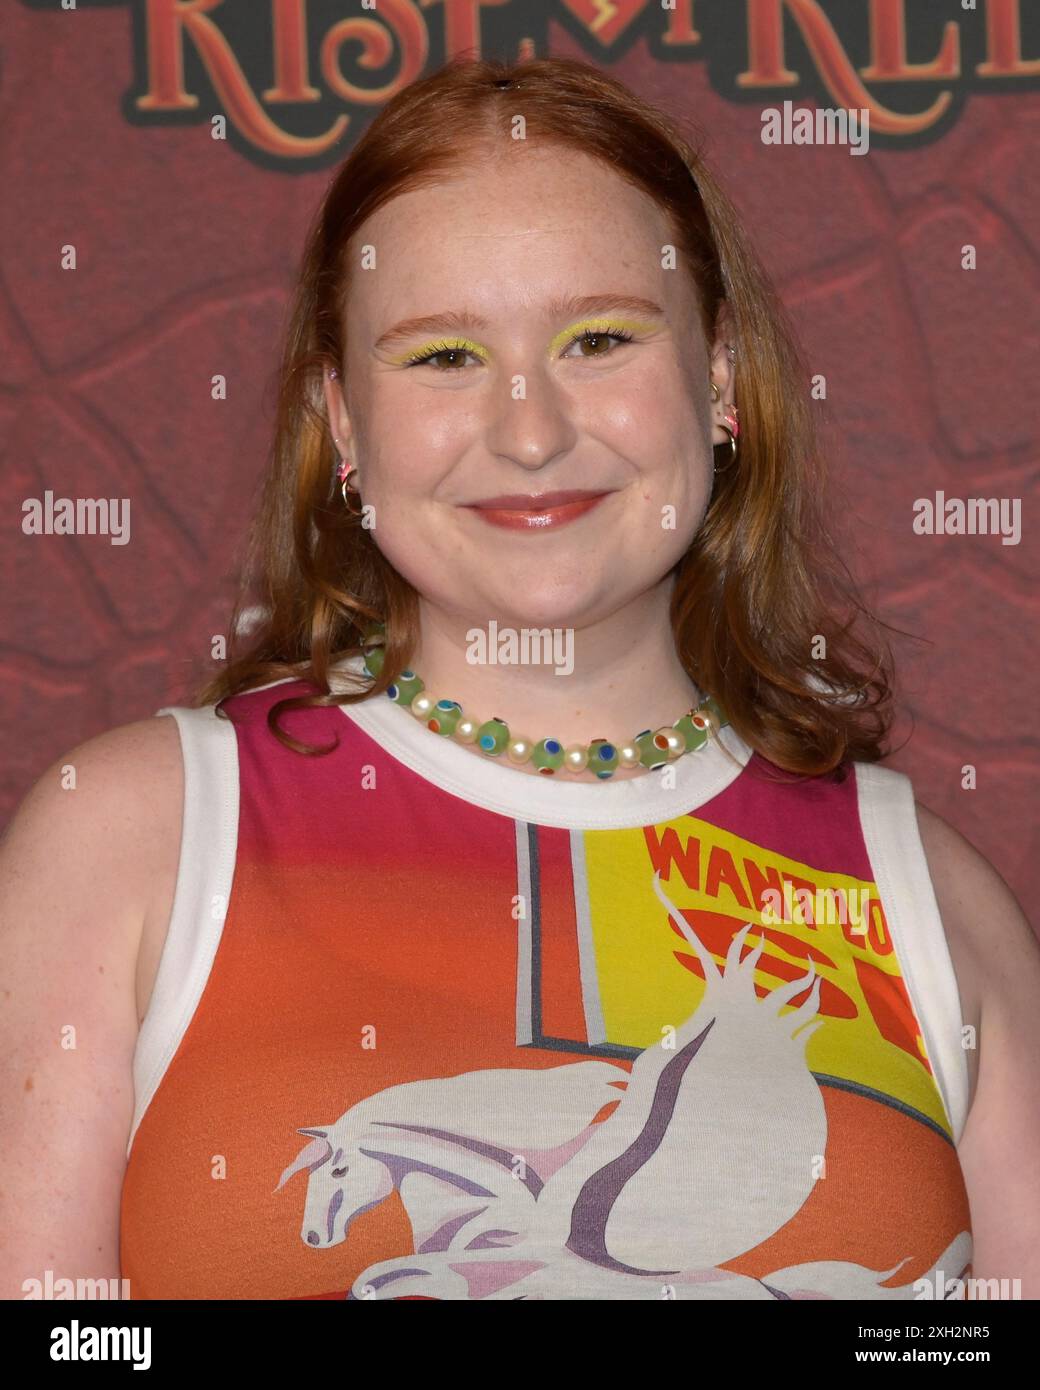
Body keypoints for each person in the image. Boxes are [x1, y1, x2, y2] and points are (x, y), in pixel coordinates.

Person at [2, 54, 1038, 1303]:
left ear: (715, 382)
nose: (530, 429)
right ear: (341, 422)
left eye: (596, 339)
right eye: (440, 356)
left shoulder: (937, 903)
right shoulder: (129, 838)